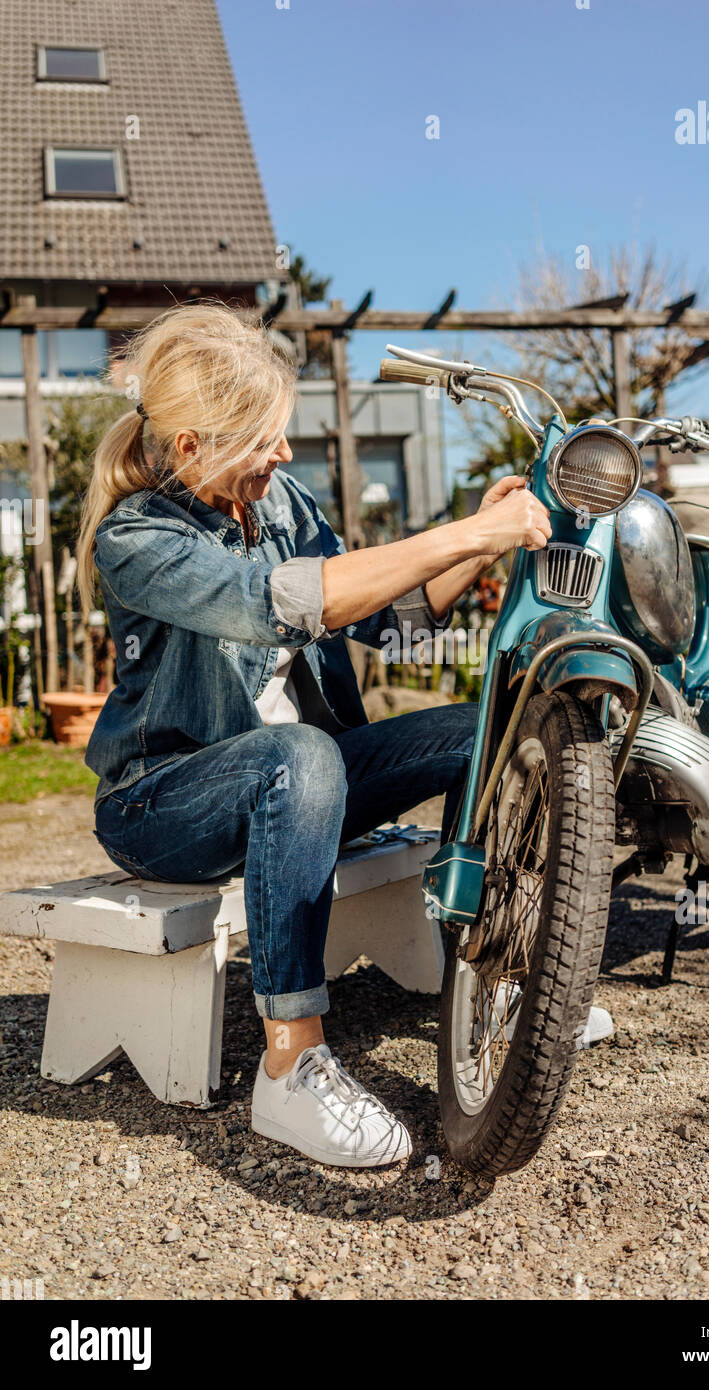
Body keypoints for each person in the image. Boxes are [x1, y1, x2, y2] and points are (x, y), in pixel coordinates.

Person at [78, 304, 551, 1168]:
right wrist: (464, 532)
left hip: (308, 780)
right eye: (265, 439)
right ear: (191, 447)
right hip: (165, 805)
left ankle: (503, 982)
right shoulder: (136, 539)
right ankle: (291, 1066)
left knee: (485, 729)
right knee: (298, 757)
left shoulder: (279, 500)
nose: (285, 455)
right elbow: (290, 604)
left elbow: (390, 621)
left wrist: (477, 547)